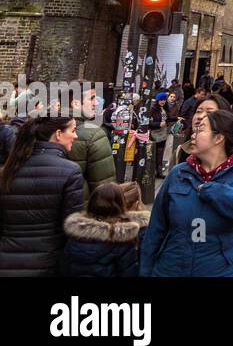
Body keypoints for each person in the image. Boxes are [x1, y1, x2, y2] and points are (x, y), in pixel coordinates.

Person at [140, 109, 233, 277]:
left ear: (218, 138)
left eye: (200, 129)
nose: (193, 134)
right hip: (170, 269)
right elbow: (156, 228)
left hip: (220, 270)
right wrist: (145, 271)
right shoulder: (178, 173)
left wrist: (217, 192)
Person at [0, 115, 84, 275]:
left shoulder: (8, 170)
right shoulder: (70, 172)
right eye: (73, 130)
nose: (76, 135)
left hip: (6, 262)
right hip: (49, 262)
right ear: (58, 134)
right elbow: (72, 227)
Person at [63, 181, 145, 277]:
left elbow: (65, 267)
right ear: (120, 205)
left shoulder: (74, 235)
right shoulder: (121, 241)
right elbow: (128, 272)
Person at [69, 89, 115, 203]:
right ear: (75, 103)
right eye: (91, 99)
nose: (96, 103)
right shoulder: (94, 134)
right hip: (80, 209)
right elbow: (104, 187)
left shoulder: (40, 126)